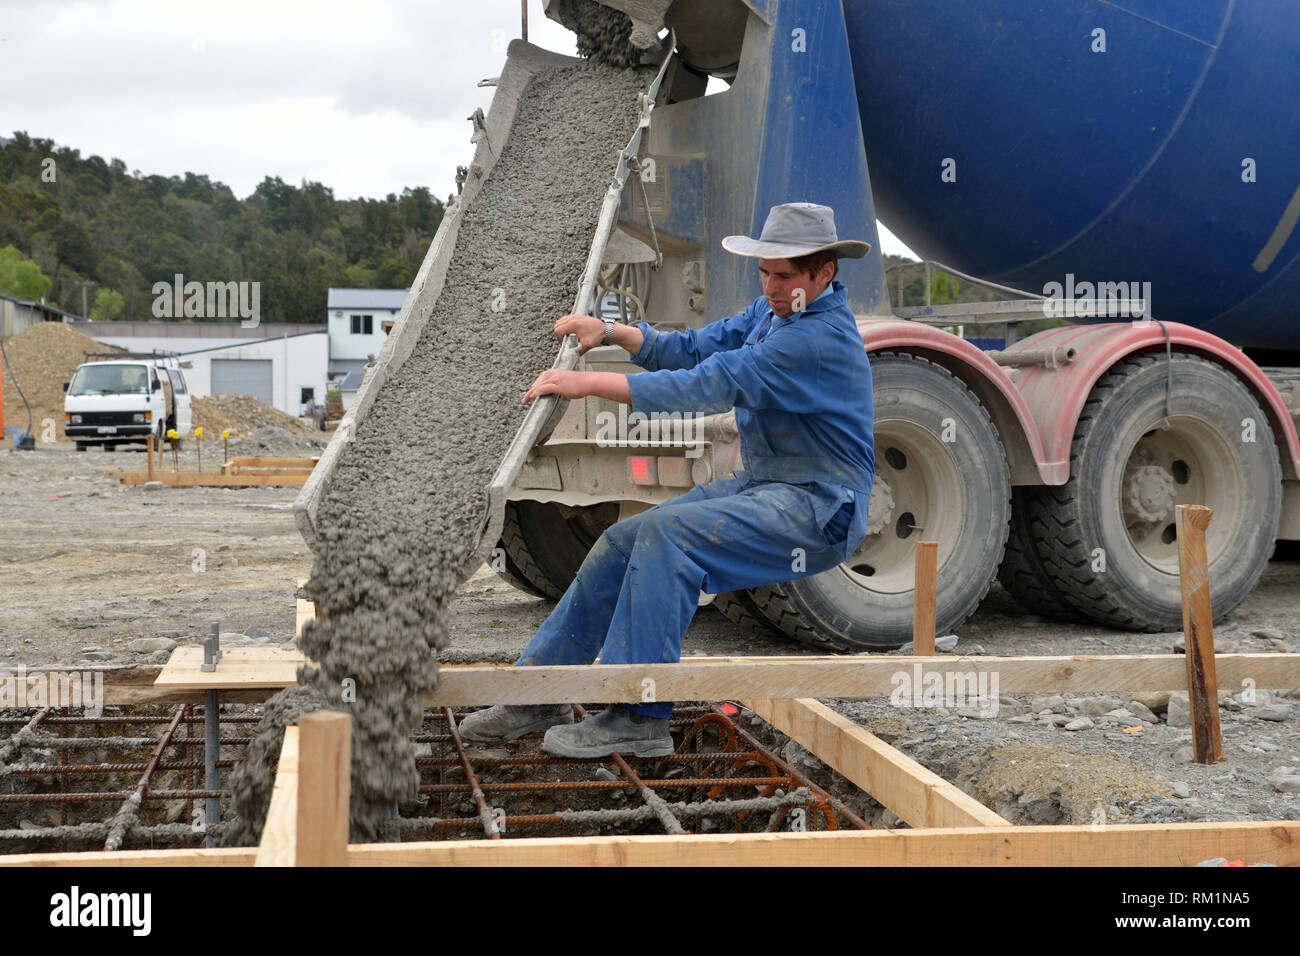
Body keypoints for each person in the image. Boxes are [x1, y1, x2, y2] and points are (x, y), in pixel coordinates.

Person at [458, 202, 876, 757]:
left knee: (667, 538)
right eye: (765, 272)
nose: (772, 286)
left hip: (819, 506)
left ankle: (638, 716)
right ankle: (542, 690)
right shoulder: (775, 312)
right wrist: (608, 331)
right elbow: (697, 347)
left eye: (785, 275)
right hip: (767, 484)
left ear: (824, 272)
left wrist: (590, 386)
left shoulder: (813, 340)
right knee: (621, 540)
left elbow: (706, 384)